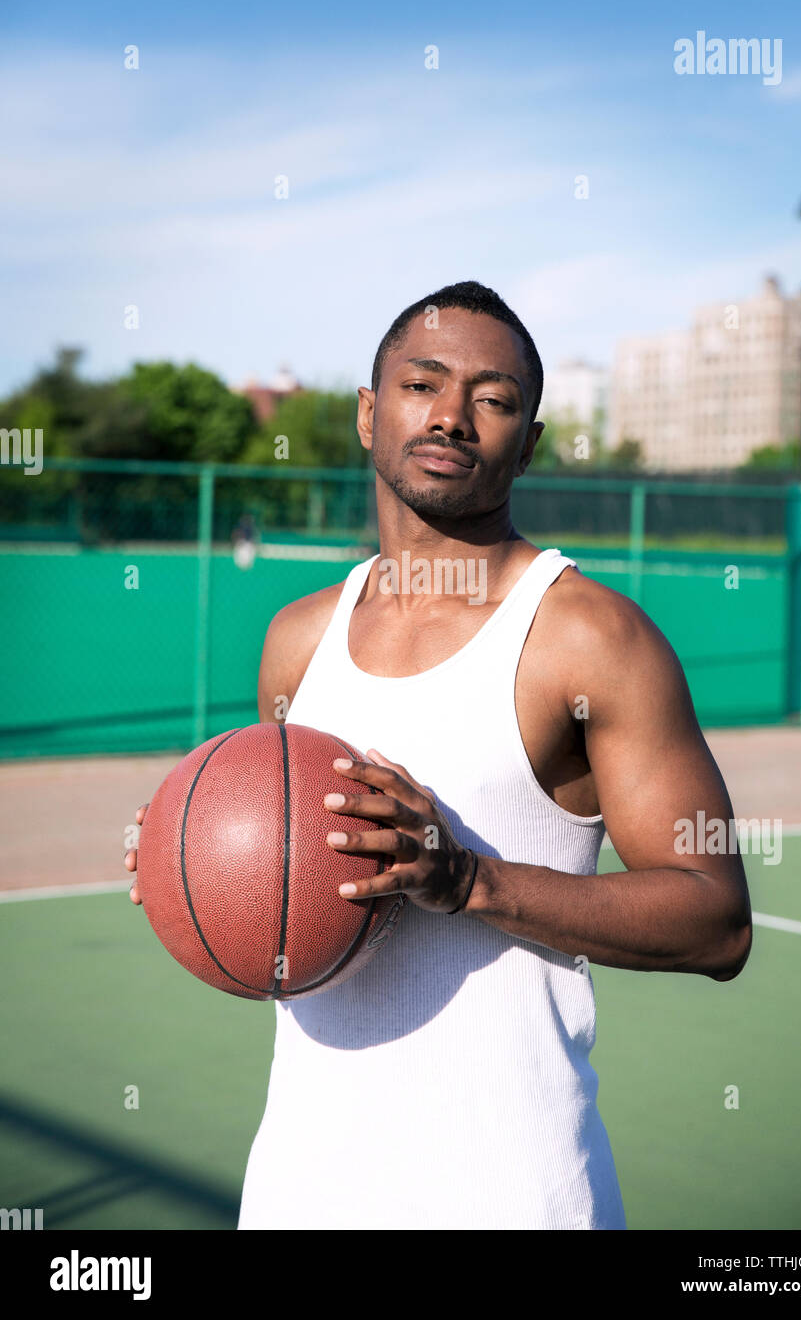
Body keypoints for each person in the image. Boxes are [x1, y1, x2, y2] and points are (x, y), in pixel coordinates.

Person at [125, 279, 751, 1230]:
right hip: (301, 1189)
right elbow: (293, 916)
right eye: (423, 386)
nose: (453, 417)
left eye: (494, 399)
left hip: (512, 1193)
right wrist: (193, 863)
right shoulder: (299, 640)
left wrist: (468, 881)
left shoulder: (586, 638)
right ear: (370, 415)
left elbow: (717, 921)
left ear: (529, 442)